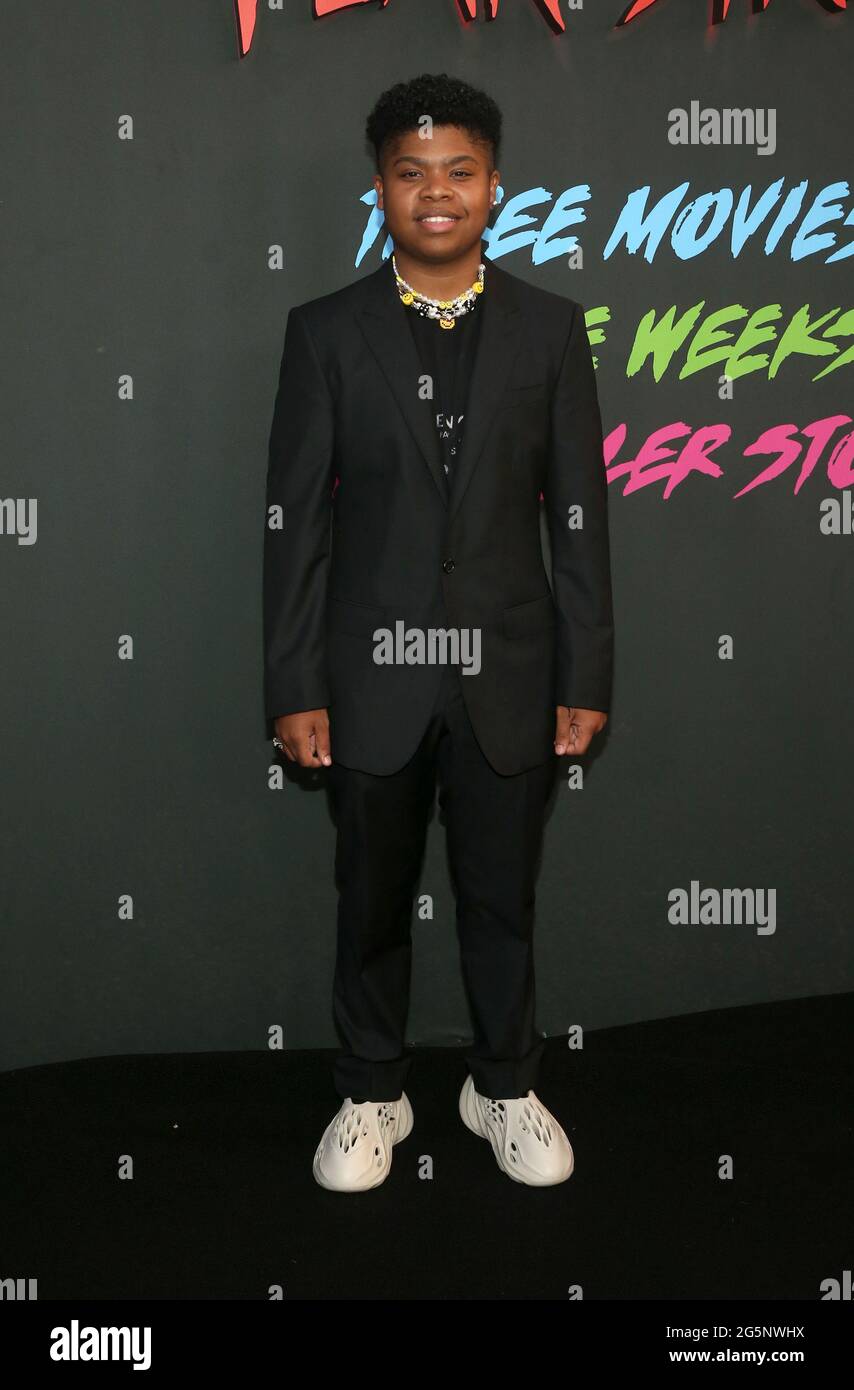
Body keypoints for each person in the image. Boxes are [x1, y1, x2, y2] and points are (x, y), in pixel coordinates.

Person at [263, 72, 614, 1191]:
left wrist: (585, 667)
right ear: (380, 189)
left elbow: (578, 521)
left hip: (509, 672)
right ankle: (372, 1092)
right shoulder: (321, 332)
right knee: (368, 901)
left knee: (501, 899)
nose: (435, 193)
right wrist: (293, 681)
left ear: (492, 186)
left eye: (458, 171)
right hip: (367, 679)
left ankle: (502, 1085)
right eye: (411, 173)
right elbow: (293, 532)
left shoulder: (552, 332)